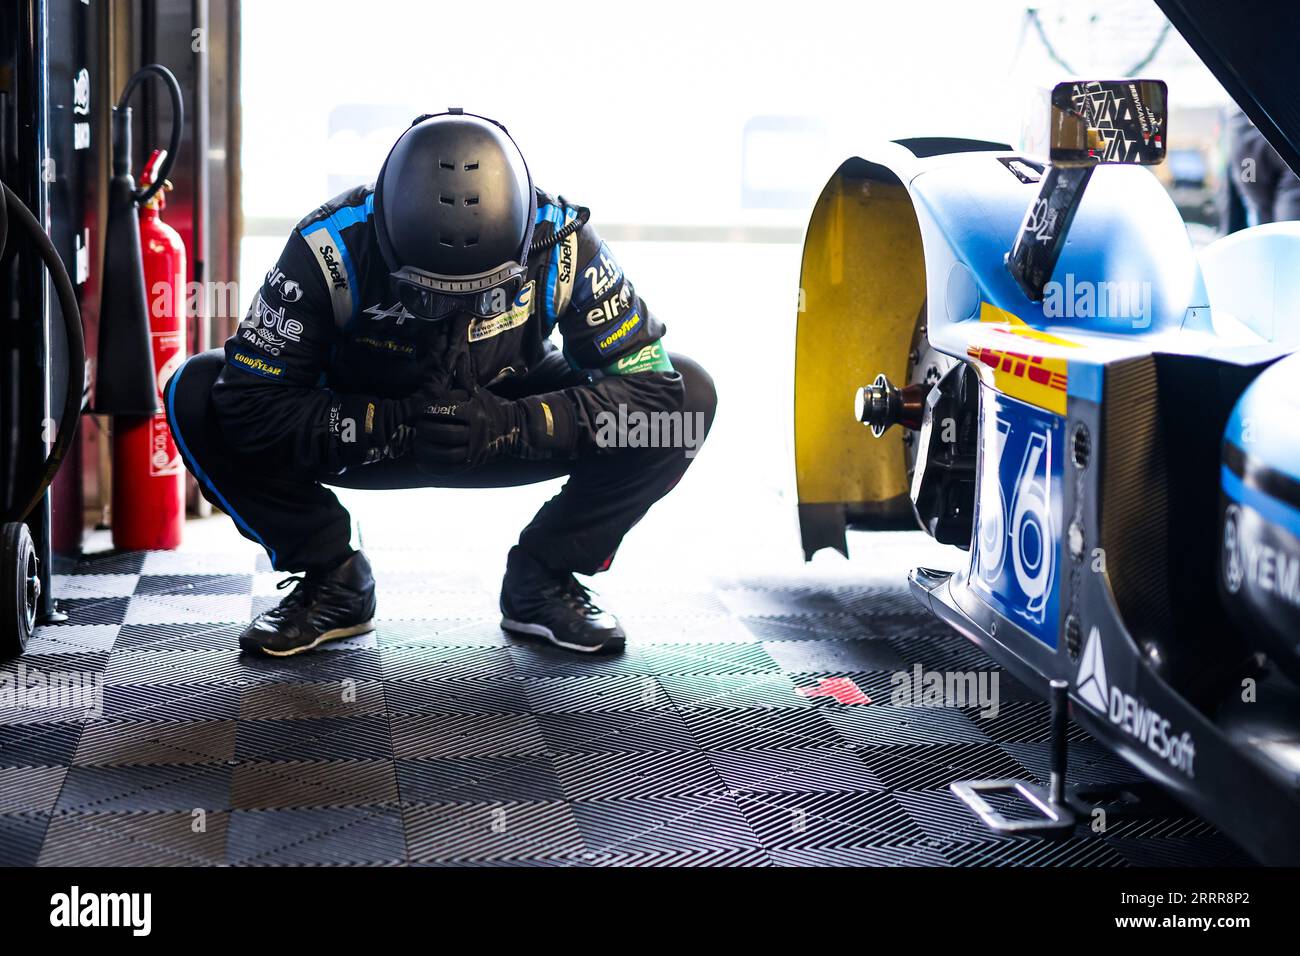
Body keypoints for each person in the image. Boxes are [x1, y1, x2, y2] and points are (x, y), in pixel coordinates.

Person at [165, 109, 716, 657]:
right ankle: (331, 576)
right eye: (428, 294)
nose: (454, 309)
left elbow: (654, 389)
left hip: (507, 415)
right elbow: (246, 402)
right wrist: (393, 424)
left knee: (685, 402)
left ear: (523, 246)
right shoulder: (328, 246)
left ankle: (544, 578)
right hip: (366, 426)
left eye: (482, 293)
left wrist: (513, 424)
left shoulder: (562, 237)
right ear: (385, 236)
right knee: (196, 392)